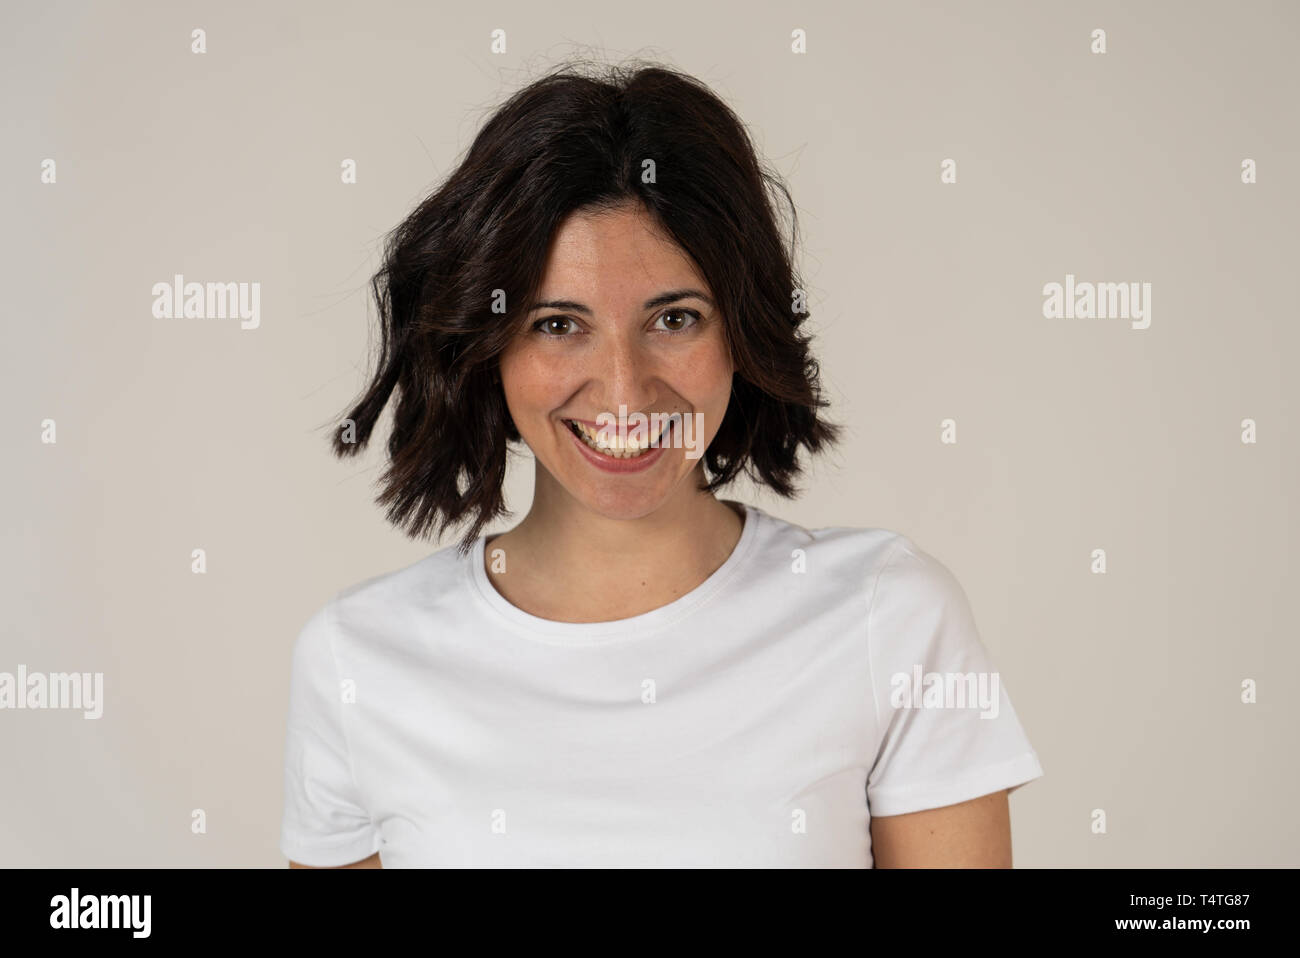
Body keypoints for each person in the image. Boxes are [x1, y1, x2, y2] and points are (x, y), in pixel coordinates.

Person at [279, 60, 1043, 868]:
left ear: (742, 331)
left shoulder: (889, 619)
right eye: (557, 324)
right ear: (486, 345)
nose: (623, 391)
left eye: (674, 318)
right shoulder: (358, 659)